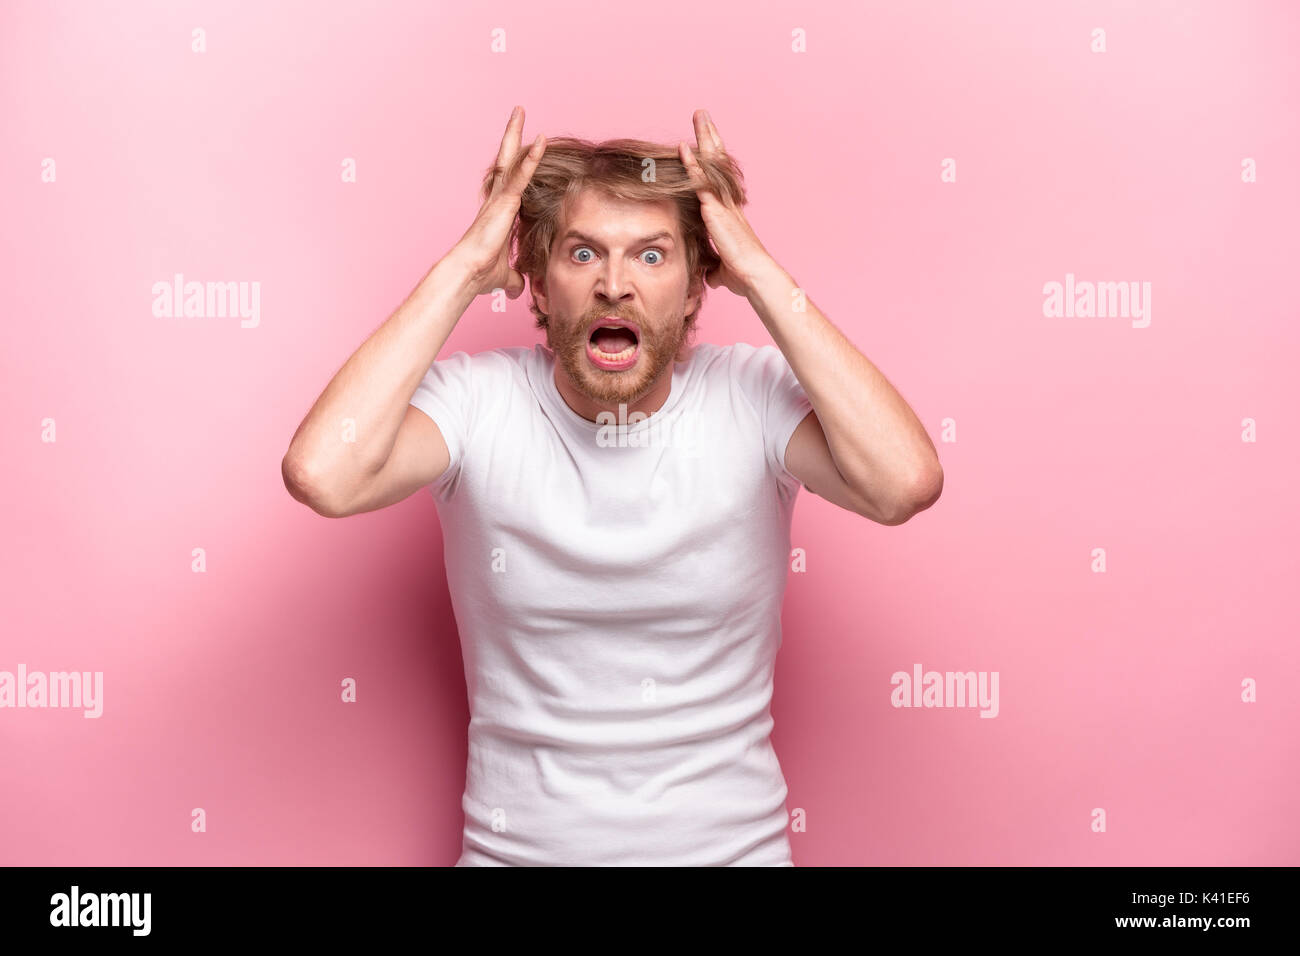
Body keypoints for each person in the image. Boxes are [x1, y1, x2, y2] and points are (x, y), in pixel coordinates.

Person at [281, 107, 943, 866]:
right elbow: (321, 474)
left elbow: (904, 482)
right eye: (583, 252)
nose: (615, 285)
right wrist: (465, 268)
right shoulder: (478, 403)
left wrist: (760, 274)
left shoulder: (751, 396)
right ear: (539, 278)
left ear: (699, 286)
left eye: (653, 257)